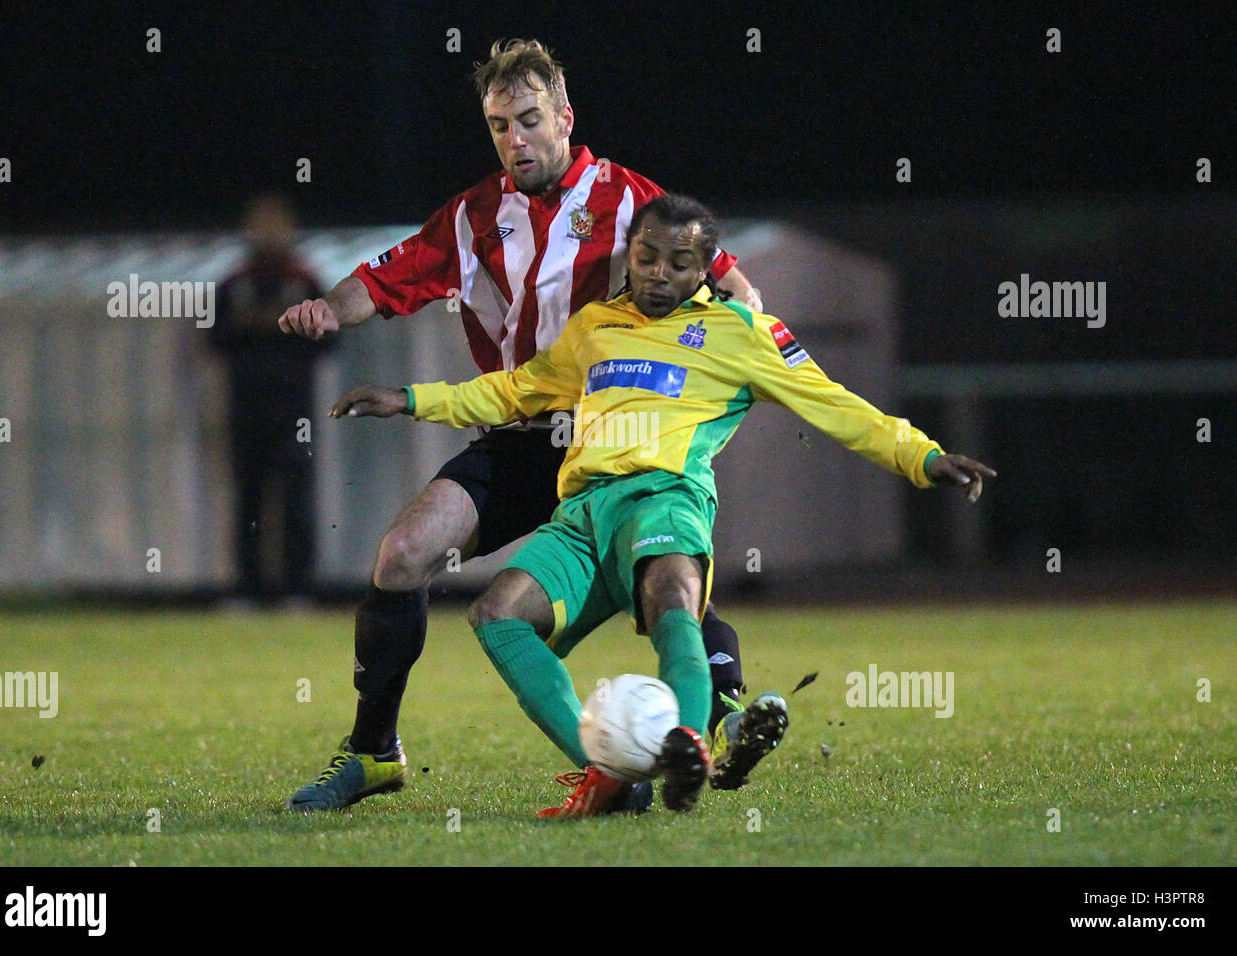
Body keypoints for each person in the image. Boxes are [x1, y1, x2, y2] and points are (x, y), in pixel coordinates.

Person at [327, 194, 997, 817]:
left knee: (673, 595)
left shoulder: (742, 332)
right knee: (497, 614)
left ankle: (688, 743)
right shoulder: (595, 326)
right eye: (645, 257)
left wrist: (924, 457)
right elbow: (515, 391)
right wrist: (411, 399)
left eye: (678, 263)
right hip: (584, 513)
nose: (655, 273)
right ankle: (612, 772)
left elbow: (837, 405)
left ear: (707, 269)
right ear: (630, 253)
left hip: (664, 496)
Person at [280, 40, 777, 811]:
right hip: (519, 439)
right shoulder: (474, 217)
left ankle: (719, 716)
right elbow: (386, 279)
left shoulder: (627, 201)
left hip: (612, 441)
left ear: (565, 119)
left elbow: (732, 283)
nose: (515, 140)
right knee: (402, 554)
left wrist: (757, 356)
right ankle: (375, 753)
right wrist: (326, 311)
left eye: (529, 121)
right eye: (499, 126)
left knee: (666, 592)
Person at [211, 194, 325, 604]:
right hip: (247, 410)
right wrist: (262, 327)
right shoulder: (235, 283)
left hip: (295, 411)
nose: (269, 232)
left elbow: (328, 340)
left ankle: (298, 589)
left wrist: (274, 328)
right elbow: (216, 339)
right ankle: (247, 589)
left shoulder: (304, 280)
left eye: (276, 222)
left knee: (296, 500)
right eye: (261, 223)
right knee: (250, 501)